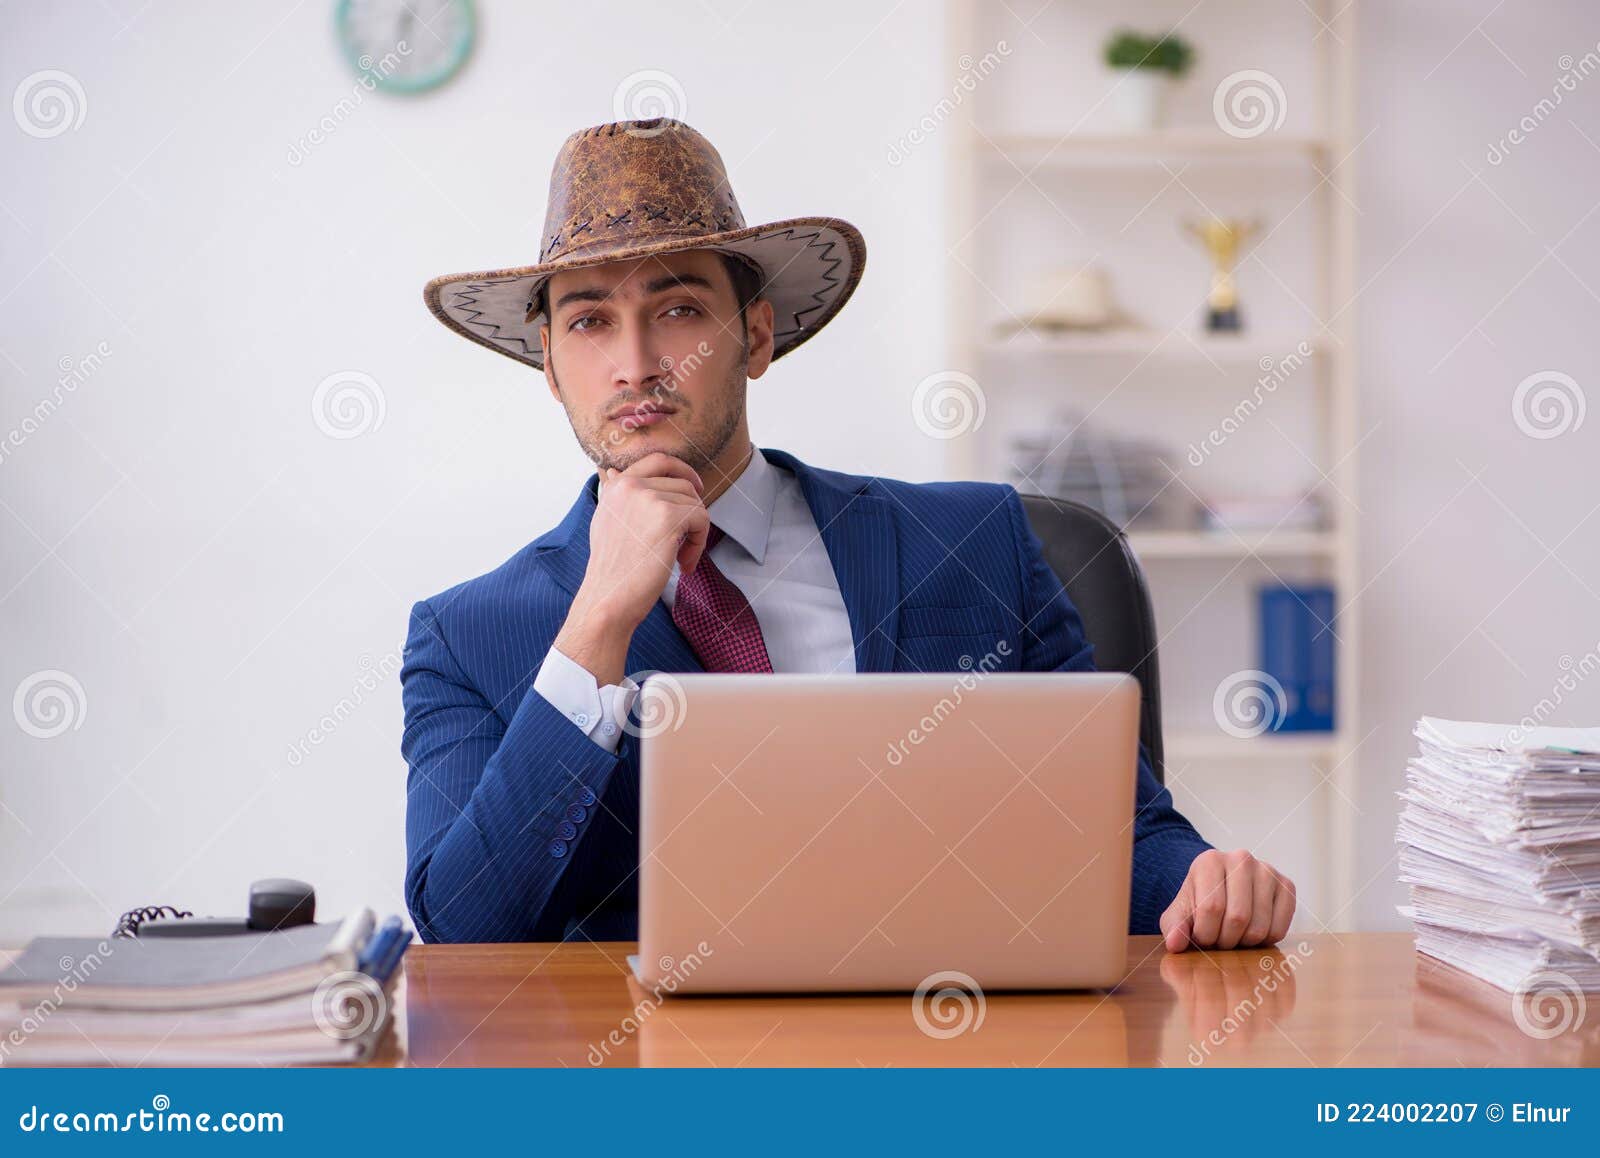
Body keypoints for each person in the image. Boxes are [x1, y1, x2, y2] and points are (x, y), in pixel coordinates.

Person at [403, 117, 1296, 953]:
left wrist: (1204, 883)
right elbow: (466, 933)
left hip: (960, 1031)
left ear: (756, 336)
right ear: (551, 368)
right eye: (590, 321)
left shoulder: (977, 544)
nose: (635, 365)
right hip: (654, 1058)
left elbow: (1117, 837)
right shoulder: (465, 637)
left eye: (678, 311)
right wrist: (597, 621)